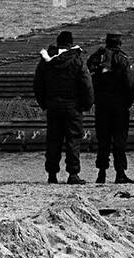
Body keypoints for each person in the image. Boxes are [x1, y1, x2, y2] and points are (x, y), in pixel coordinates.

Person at [33, 30, 93, 184]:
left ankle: (52, 174)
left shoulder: (47, 60)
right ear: (70, 43)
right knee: (73, 139)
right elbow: (86, 85)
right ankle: (73, 174)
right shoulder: (77, 60)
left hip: (53, 105)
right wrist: (86, 104)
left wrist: (44, 103)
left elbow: (38, 84)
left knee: (53, 139)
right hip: (73, 106)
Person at [87, 32, 134, 184]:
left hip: (101, 105)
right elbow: (130, 83)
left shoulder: (95, 58)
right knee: (119, 140)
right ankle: (120, 173)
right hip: (119, 105)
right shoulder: (122, 59)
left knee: (103, 140)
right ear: (119, 43)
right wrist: (127, 103)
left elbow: (88, 79)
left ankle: (101, 172)